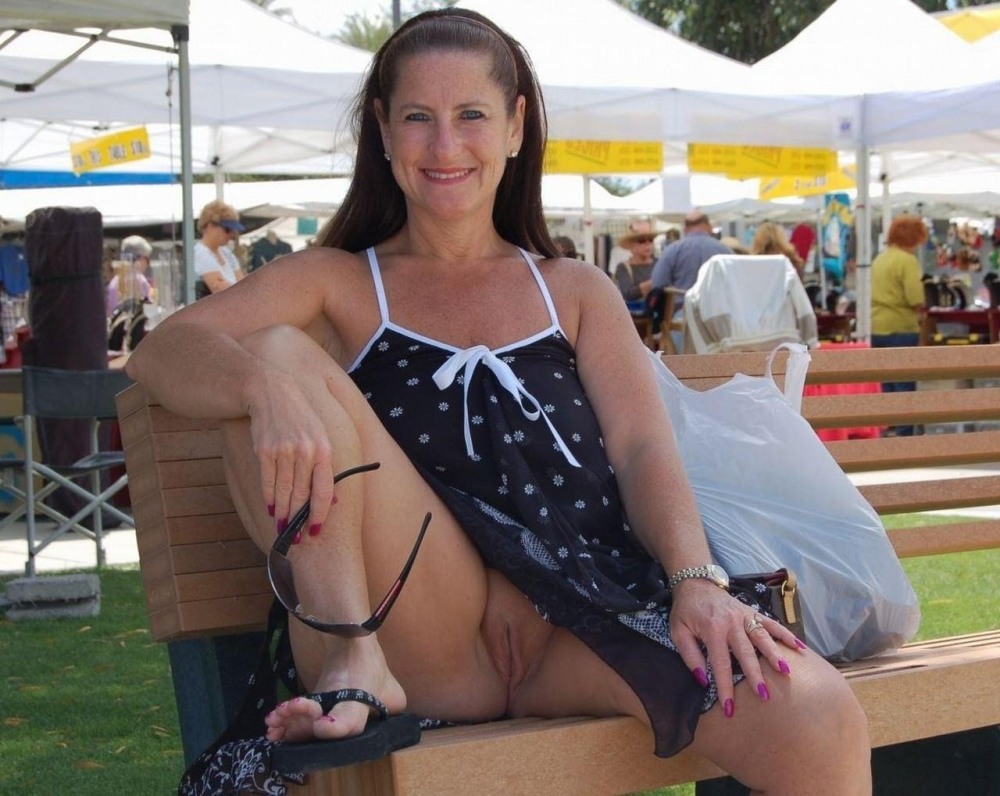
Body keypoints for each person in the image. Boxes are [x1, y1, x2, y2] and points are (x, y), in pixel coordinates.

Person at [127, 9, 870, 793]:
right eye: (418, 117)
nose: (445, 145)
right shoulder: (337, 282)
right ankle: (354, 661)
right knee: (277, 348)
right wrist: (264, 389)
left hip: (582, 617)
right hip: (417, 630)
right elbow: (162, 350)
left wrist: (695, 581)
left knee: (817, 715)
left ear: (515, 127)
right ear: (383, 130)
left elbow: (643, 448)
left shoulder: (574, 290)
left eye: (472, 115)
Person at [871, 214, 928, 437]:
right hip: (901, 326)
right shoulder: (907, 261)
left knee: (886, 382)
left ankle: (889, 429)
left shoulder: (879, 259)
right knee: (904, 383)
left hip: (877, 325)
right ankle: (904, 436)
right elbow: (915, 297)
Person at [194, 200, 246, 296]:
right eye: (227, 229)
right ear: (210, 226)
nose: (231, 234)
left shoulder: (227, 254)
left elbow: (244, 287)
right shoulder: (200, 254)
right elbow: (219, 290)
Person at [612, 219, 656, 312]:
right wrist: (655, 282)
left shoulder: (659, 263)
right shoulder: (623, 267)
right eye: (641, 241)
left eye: (650, 240)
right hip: (635, 318)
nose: (647, 243)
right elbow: (628, 293)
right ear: (631, 245)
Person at [106, 235, 153, 314]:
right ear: (143, 258)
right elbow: (149, 312)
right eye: (148, 260)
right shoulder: (140, 281)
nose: (148, 265)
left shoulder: (114, 281)